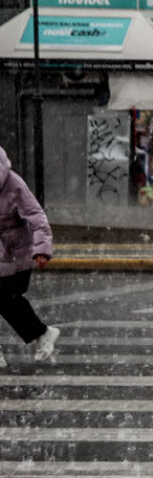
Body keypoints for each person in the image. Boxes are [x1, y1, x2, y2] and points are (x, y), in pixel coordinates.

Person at [0, 146, 59, 366]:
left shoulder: (13, 184)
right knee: (5, 300)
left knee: (6, 299)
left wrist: (42, 249)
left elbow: (37, 216)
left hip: (16, 253)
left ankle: (42, 333)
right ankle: (42, 333)